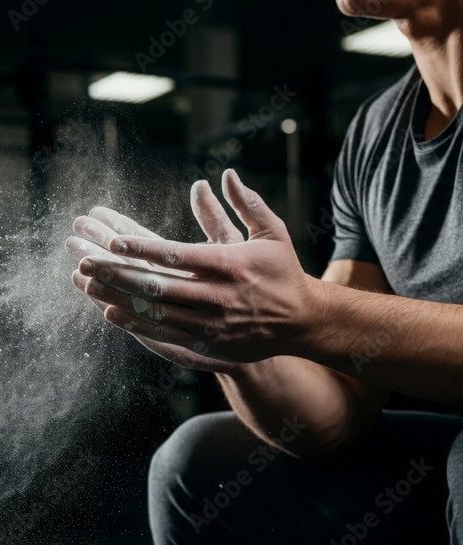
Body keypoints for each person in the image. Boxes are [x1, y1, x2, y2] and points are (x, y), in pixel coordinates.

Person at [66, 1, 463, 543]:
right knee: (199, 464)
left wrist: (305, 310)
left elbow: (322, 317)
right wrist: (241, 345)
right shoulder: (377, 131)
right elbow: (338, 416)